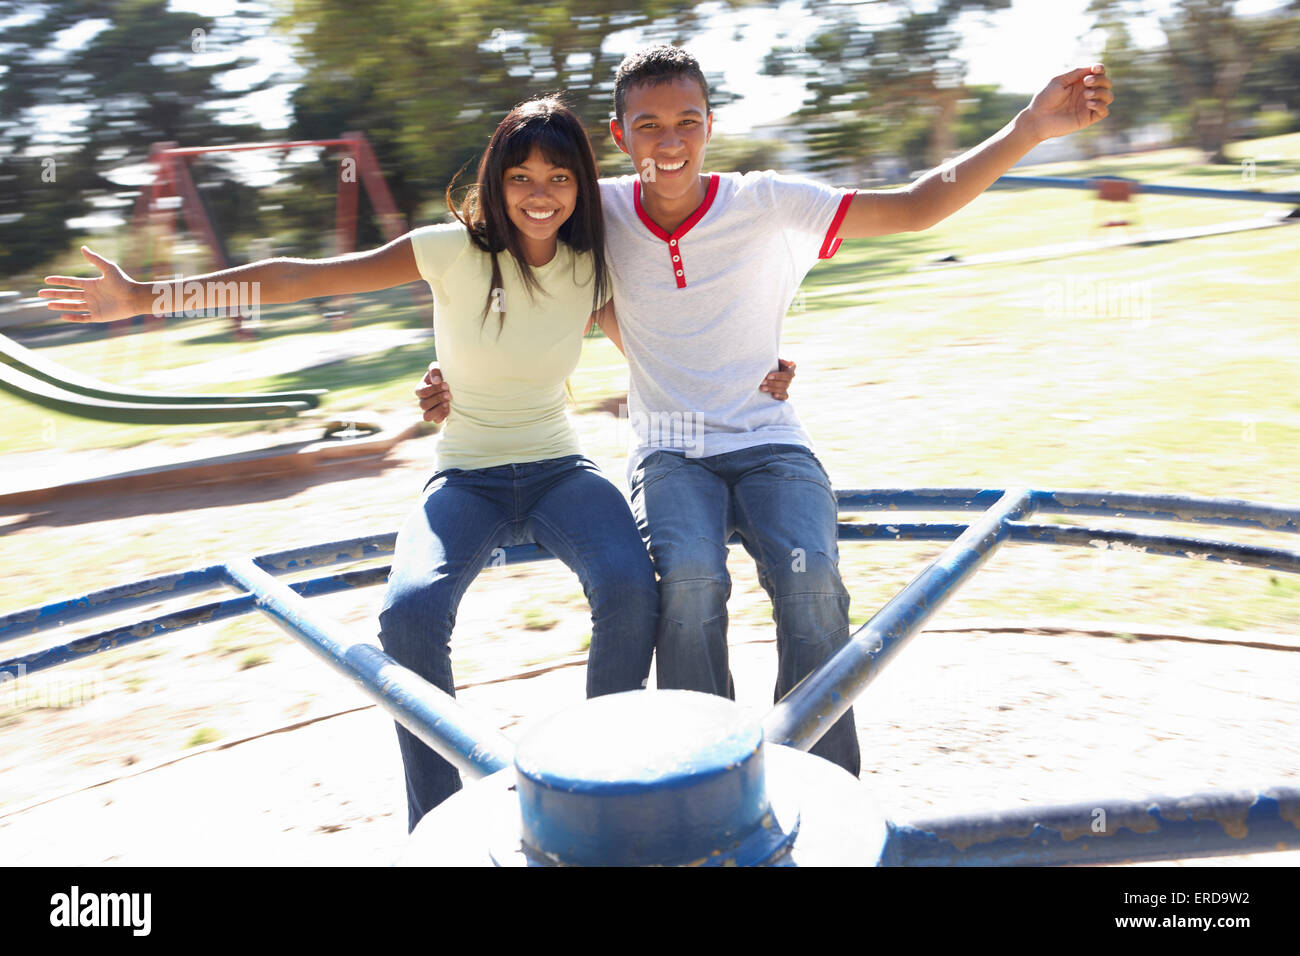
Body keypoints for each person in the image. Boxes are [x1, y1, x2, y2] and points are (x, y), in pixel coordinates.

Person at [39, 94, 797, 832]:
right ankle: (438, 817)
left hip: (560, 469)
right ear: (496, 182)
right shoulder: (448, 251)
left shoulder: (589, 268)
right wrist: (146, 297)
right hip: (466, 474)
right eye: (521, 177)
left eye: (559, 178)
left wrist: (753, 378)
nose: (540, 194)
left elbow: (665, 352)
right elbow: (300, 277)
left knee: (632, 586)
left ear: (580, 187)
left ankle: (601, 781)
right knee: (409, 615)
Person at [422, 47, 1113, 779]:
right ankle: (704, 776)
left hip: (769, 439)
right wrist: (453, 372)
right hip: (672, 450)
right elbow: (506, 269)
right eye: (649, 126)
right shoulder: (600, 212)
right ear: (620, 138)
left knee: (811, 578)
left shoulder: (768, 201)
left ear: (711, 126)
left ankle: (822, 775)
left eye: (688, 122)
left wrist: (1029, 127)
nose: (671, 142)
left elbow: (914, 207)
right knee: (689, 577)